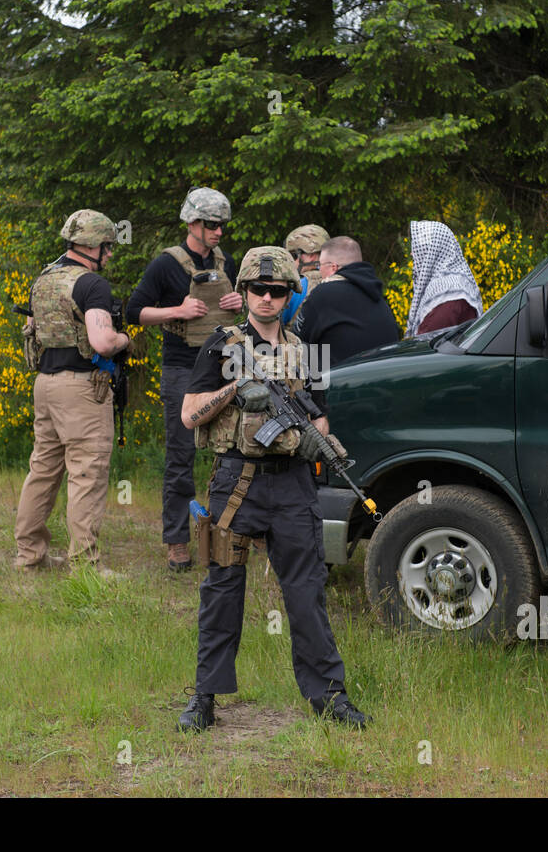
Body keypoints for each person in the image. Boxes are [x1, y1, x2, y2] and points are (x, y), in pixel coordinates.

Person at [176, 246, 370, 732]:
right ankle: (204, 697)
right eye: (257, 289)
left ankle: (329, 697)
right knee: (222, 589)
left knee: (306, 591)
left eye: (277, 291)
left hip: (292, 487)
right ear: (242, 292)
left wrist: (314, 441)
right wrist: (234, 390)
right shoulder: (221, 346)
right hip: (235, 484)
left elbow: (319, 414)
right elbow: (189, 414)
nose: (266, 298)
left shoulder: (305, 352)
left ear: (288, 296)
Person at [127, 187, 244, 572]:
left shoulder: (227, 262)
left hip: (225, 366)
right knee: (182, 456)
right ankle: (177, 542)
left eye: (222, 225)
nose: (219, 232)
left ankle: (233, 535)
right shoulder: (165, 265)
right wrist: (176, 310)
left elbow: (248, 309)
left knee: (234, 452)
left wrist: (238, 302)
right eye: (212, 225)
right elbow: (133, 311)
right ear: (192, 223)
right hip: (181, 368)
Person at [14, 210, 131, 571]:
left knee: (43, 470)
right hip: (81, 389)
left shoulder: (44, 279)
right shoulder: (92, 285)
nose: (110, 255)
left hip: (45, 385)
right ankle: (85, 566)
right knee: (87, 472)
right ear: (92, 245)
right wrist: (125, 339)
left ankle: (29, 557)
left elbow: (33, 327)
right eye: (107, 247)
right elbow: (102, 341)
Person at [290, 235, 399, 403]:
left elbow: (296, 338)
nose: (318, 271)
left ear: (333, 267)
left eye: (320, 265)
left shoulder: (324, 294)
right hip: (384, 386)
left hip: (342, 392)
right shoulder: (377, 295)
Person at [406, 220, 483, 336]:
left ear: (432, 252)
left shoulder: (446, 295)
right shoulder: (455, 284)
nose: (412, 254)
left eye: (417, 248)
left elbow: (425, 346)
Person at [278, 223, 330, 325]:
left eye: (293, 255)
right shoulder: (342, 280)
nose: (291, 261)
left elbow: (275, 324)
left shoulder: (299, 286)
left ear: (311, 255)